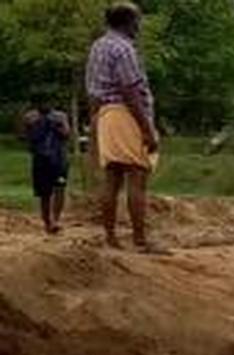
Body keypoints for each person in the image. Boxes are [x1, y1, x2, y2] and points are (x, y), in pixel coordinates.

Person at [86, 2, 164, 253]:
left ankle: (110, 237)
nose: (139, 26)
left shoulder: (98, 46)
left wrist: (95, 122)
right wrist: (146, 128)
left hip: (106, 115)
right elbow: (130, 90)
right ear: (128, 22)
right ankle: (140, 241)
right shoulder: (123, 48)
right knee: (137, 175)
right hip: (125, 114)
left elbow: (93, 91)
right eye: (138, 21)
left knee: (112, 176)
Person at [22, 95, 71, 235]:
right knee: (44, 194)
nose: (46, 104)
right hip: (40, 159)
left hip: (59, 159)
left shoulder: (60, 116)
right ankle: (47, 222)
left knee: (60, 188)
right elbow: (24, 136)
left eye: (48, 101)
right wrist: (32, 125)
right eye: (42, 101)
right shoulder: (30, 117)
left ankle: (56, 219)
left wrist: (57, 125)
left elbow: (67, 134)